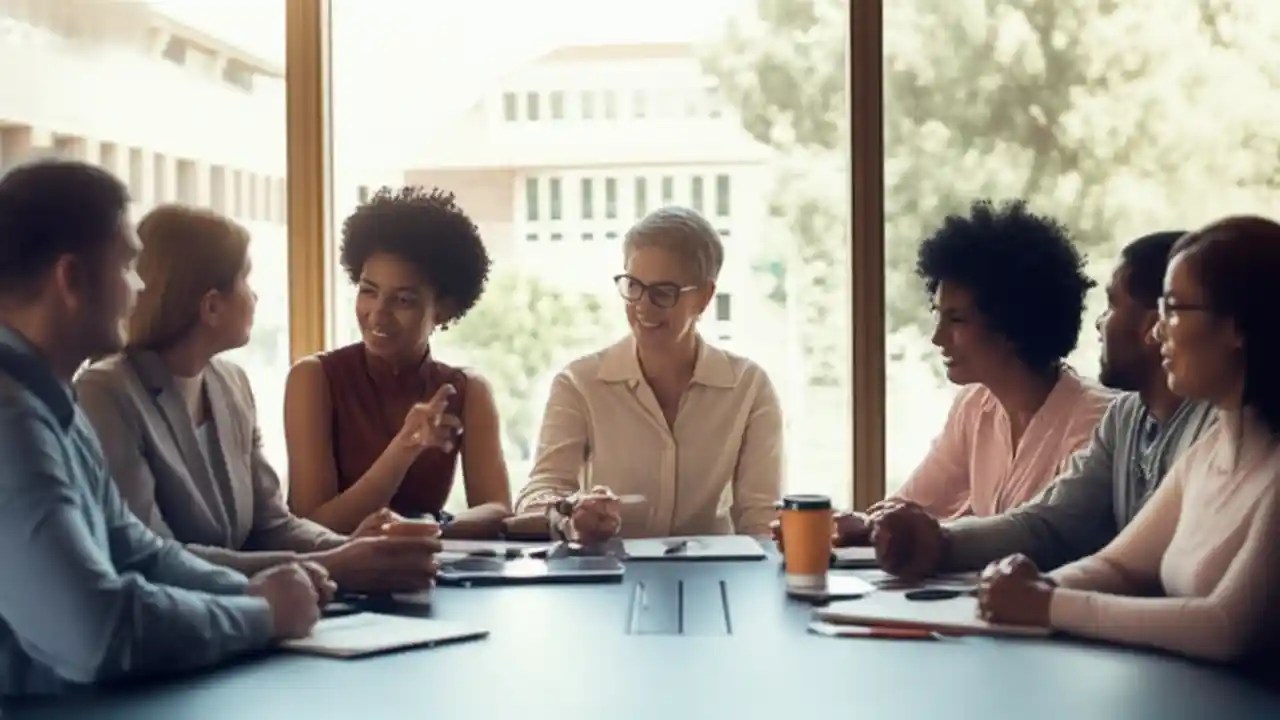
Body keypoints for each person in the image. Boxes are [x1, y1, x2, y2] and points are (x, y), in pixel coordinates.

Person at [0, 161, 322, 696]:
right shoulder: (11, 421)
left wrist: (255, 589)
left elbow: (139, 552)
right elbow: (96, 631)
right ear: (72, 279)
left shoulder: (52, 403)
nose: (141, 284)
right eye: (128, 264)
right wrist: (261, 616)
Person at [75, 205, 439, 595]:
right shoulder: (106, 393)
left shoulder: (232, 385)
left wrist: (353, 547)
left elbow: (272, 525)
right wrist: (330, 564)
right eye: (245, 280)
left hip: (255, 615)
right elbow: (154, 557)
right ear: (212, 306)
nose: (255, 295)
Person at [979, 216, 1280, 663]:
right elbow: (1116, 565)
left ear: (1237, 327)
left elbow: (1226, 628)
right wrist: (1031, 588)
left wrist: (1048, 604)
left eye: (1174, 309)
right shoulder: (1206, 456)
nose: (1157, 329)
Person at [871, 231, 1216, 579]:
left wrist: (1047, 598)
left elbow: (1137, 570)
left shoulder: (1216, 432)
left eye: (1111, 305)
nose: (1099, 324)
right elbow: (1049, 521)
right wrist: (938, 541)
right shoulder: (1123, 419)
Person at [514, 206, 783, 539]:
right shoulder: (579, 383)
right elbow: (539, 492)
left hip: (712, 577)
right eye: (633, 286)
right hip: (605, 576)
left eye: (663, 292)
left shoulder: (749, 387)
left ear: (704, 297)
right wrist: (567, 514)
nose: (642, 305)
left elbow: (761, 520)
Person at [284, 187, 511, 536]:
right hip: (334, 577)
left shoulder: (467, 390)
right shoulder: (314, 379)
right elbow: (312, 528)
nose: (378, 315)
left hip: (426, 571)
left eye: (402, 300)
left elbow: (497, 509)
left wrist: (426, 529)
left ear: (444, 309)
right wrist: (405, 448)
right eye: (368, 291)